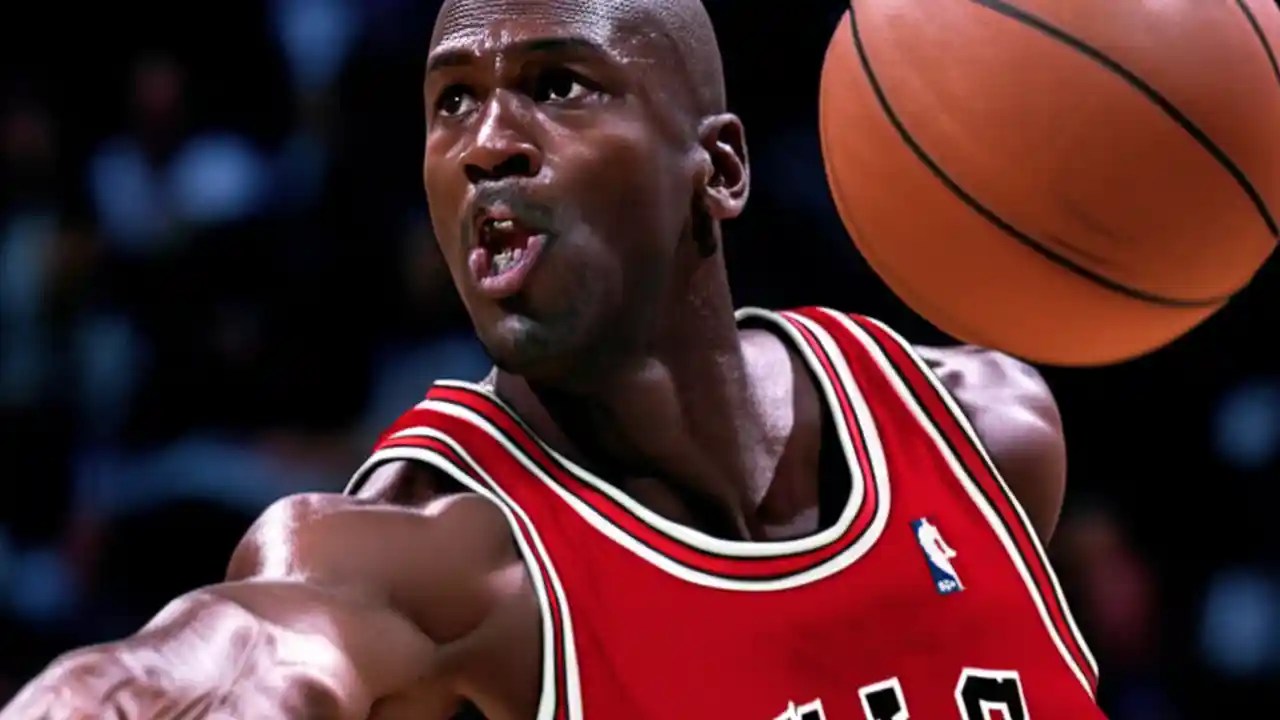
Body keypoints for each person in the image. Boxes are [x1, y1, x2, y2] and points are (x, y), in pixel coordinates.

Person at [1, 0, 1106, 717]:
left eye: (558, 84)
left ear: (714, 171)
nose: (486, 143)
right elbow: (222, 660)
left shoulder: (982, 430)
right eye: (451, 102)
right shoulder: (436, 553)